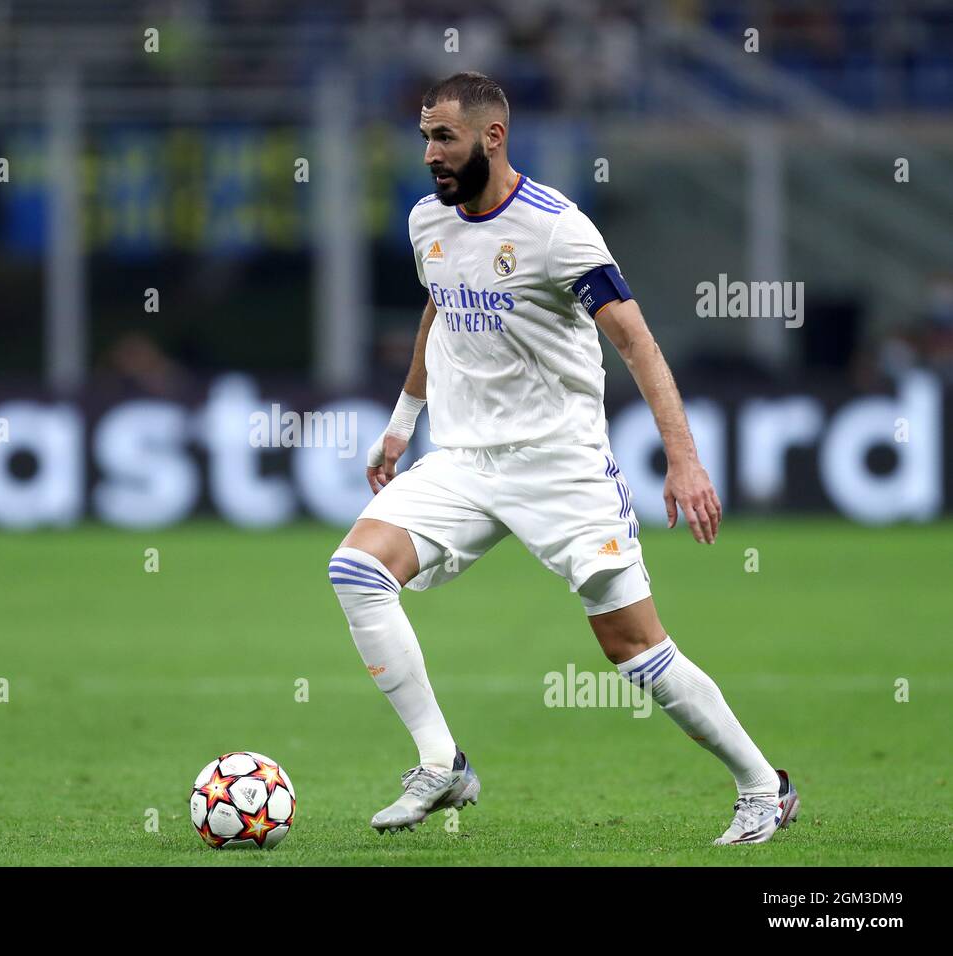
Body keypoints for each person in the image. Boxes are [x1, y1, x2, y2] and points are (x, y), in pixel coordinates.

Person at [328, 72, 799, 845]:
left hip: (561, 465)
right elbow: (439, 309)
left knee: (634, 648)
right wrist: (402, 420)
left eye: (443, 138)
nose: (429, 155)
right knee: (356, 572)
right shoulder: (426, 223)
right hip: (465, 461)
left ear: (493, 137)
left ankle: (762, 786)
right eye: (424, 138)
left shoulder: (557, 229)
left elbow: (636, 342)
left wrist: (683, 460)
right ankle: (441, 761)